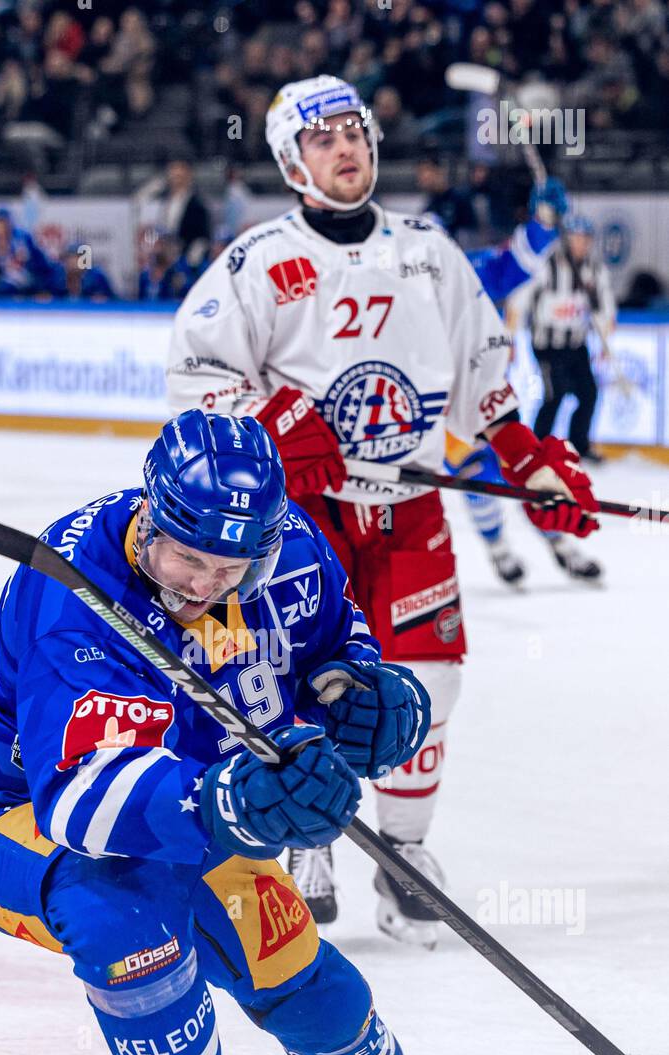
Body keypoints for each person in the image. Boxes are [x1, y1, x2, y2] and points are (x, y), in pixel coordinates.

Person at [0, 410, 510, 1055]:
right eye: (188, 559)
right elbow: (83, 800)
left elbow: (331, 641)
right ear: (148, 519)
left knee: (285, 960)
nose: (205, 582)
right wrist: (237, 803)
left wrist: (355, 695)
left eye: (230, 566)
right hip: (16, 815)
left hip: (191, 792)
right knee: (130, 923)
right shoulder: (76, 599)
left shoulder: (289, 546)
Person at [166, 76, 599, 943]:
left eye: (354, 131)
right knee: (295, 675)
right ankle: (309, 837)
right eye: (322, 139)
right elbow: (196, 373)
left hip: (410, 510)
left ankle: (405, 858)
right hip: (304, 522)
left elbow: (485, 377)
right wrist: (277, 422)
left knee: (431, 678)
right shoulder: (257, 259)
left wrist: (528, 463)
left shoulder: (429, 251)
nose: (344, 148)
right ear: (293, 161)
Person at [446, 179, 605, 588]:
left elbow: (513, 262)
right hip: (440, 413)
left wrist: (544, 222)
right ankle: (499, 548)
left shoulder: (463, 268)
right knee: (478, 475)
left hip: (485, 396)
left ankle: (560, 544)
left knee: (525, 469)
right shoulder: (406, 288)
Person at [513, 214, 616, 470]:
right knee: (554, 394)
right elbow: (520, 298)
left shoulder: (594, 269)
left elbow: (605, 308)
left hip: (576, 344)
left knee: (588, 393)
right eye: (575, 238)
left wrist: (605, 341)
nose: (580, 244)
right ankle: (536, 449)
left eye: (584, 239)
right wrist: (510, 337)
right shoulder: (546, 265)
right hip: (546, 344)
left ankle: (579, 445)